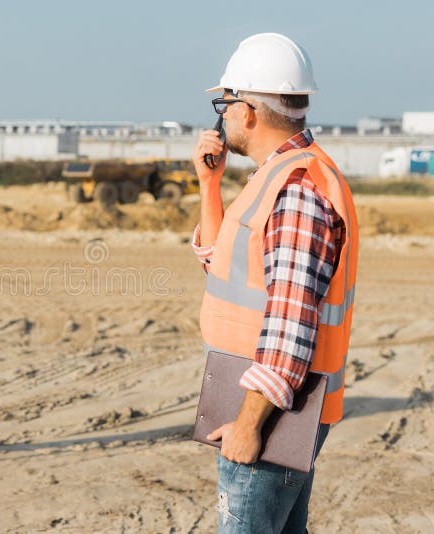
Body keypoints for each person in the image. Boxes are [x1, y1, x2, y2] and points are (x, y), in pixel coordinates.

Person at [191, 33, 358, 532]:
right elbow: (226, 267)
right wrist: (209, 185)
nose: (220, 117)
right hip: (272, 404)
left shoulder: (297, 189)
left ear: (247, 112)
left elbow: (290, 321)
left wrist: (249, 425)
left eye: (225, 104)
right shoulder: (277, 176)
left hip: (272, 414)